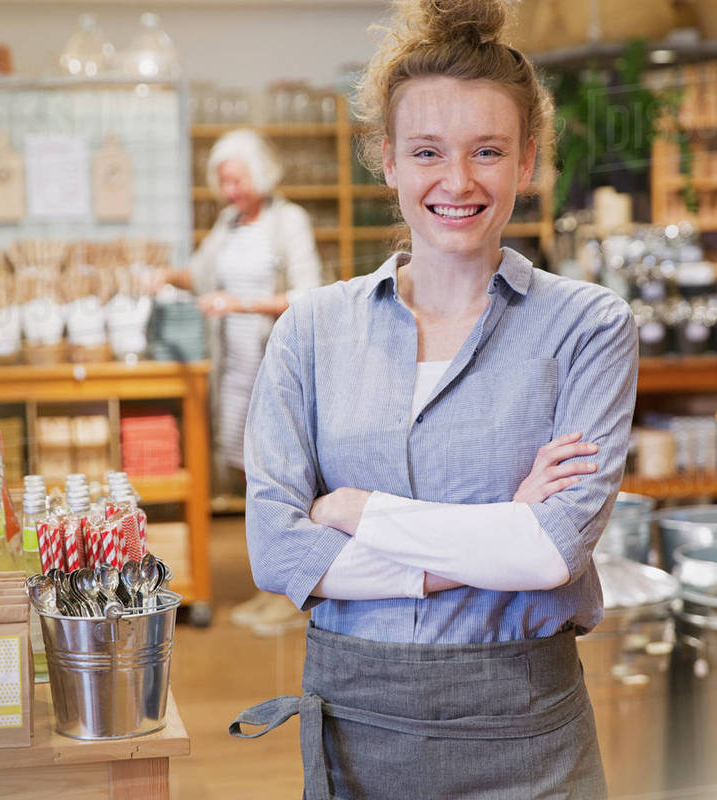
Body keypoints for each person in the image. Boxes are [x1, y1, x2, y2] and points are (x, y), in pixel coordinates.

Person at [229, 1, 637, 797]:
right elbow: (277, 554)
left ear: (527, 162)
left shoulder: (588, 327)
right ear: (387, 160)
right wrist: (489, 541)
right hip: (359, 729)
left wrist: (352, 510)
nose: (458, 182)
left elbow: (550, 555)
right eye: (427, 151)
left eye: (488, 150)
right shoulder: (311, 331)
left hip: (529, 736)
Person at [186, 128, 324, 635]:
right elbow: (198, 274)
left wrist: (239, 304)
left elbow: (309, 294)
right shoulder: (228, 224)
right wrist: (158, 276)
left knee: (285, 474)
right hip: (237, 368)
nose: (229, 190)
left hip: (275, 365)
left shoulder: (289, 221)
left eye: (237, 178)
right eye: (222, 180)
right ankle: (271, 584)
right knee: (252, 477)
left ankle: (297, 590)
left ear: (259, 174)